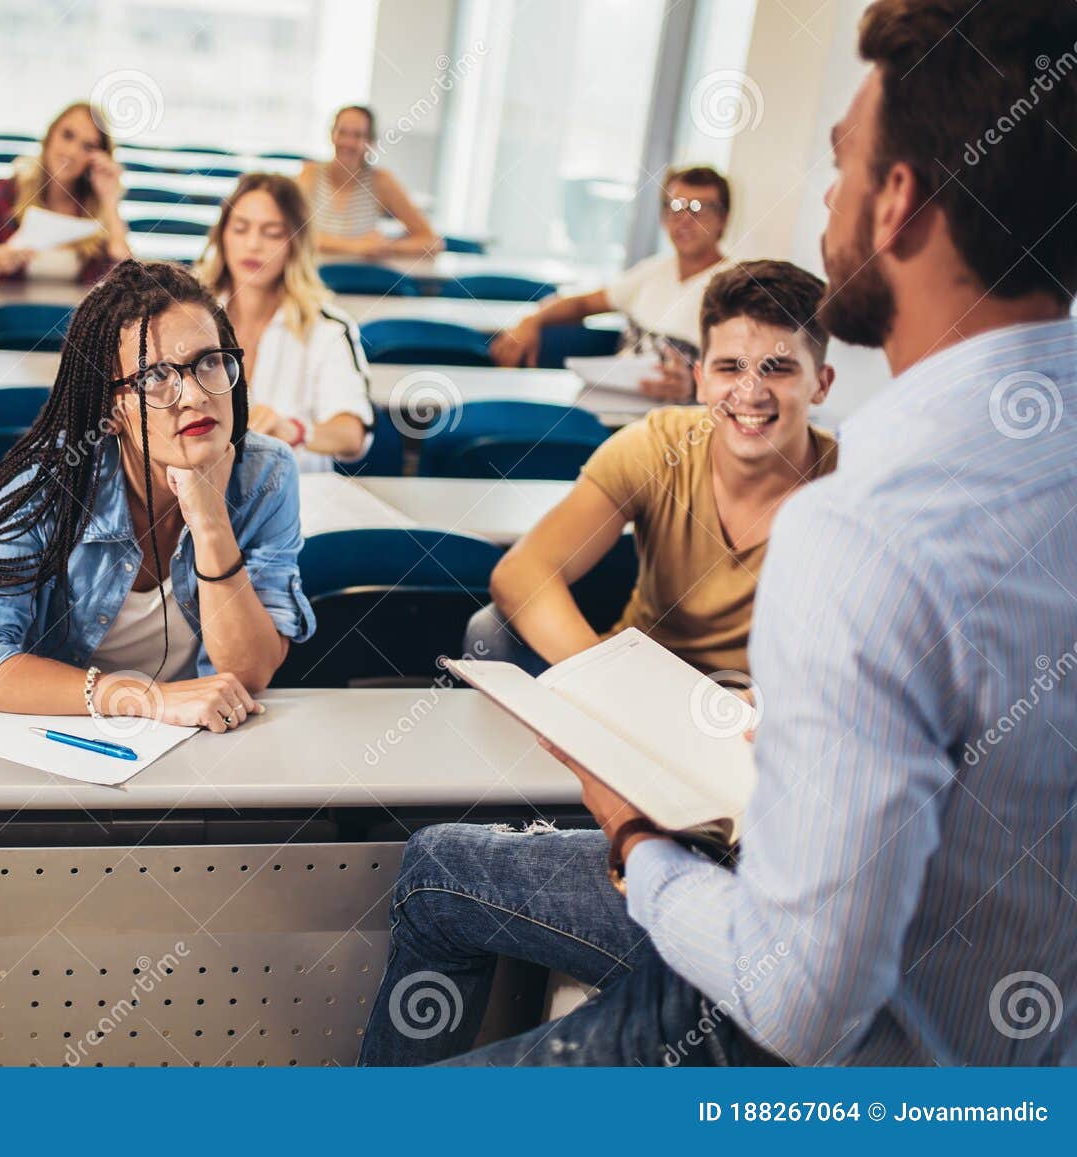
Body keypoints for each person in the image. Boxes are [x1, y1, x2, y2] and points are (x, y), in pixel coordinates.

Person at [360, 0, 1077, 1067]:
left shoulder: (863, 529)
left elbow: (792, 1000)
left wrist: (631, 834)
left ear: (897, 202)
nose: (823, 194)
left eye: (840, 162)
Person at [0, 260, 314, 733]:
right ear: (114, 403)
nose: (193, 395)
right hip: (65, 741)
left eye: (209, 362)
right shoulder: (48, 479)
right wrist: (145, 699)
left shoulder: (265, 473)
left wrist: (210, 520)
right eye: (155, 376)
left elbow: (249, 673)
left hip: (201, 745)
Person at [475, 260, 837, 677]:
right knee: (491, 630)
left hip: (747, 718)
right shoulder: (657, 446)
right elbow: (521, 572)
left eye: (778, 368)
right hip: (632, 682)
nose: (750, 392)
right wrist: (609, 686)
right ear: (700, 380)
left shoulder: (853, 492)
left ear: (821, 384)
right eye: (729, 367)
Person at [490, 166, 735, 401]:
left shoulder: (735, 288)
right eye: (676, 207)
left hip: (676, 420)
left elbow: (747, 370)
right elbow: (584, 304)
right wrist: (532, 321)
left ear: (722, 219)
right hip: (613, 403)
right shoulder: (653, 271)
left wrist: (695, 387)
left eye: (699, 209)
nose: (685, 220)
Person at [198, 173, 372, 472]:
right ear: (222, 236)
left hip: (297, 496)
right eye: (240, 229)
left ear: (295, 242)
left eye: (273, 233)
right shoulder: (188, 317)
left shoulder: (327, 328)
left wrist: (296, 430)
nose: (253, 245)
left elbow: (352, 434)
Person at [0, 101, 132, 283]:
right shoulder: (3, 193)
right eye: (67, 135)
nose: (72, 151)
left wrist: (109, 201)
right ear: (50, 136)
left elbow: (129, 281)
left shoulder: (98, 209)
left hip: (75, 316)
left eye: (88, 146)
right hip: (11, 313)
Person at [297, 106, 443, 260]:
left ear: (370, 142)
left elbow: (432, 241)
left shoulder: (381, 181)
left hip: (364, 279)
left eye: (358, 135)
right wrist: (357, 246)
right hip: (315, 278)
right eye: (342, 132)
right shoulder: (310, 174)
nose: (348, 142)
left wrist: (386, 246)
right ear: (332, 135)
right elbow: (294, 234)